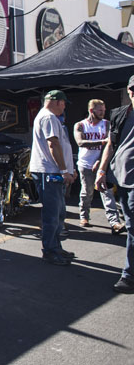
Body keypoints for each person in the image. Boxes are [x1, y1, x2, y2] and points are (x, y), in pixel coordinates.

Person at [95, 75, 134, 293]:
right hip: (122, 178)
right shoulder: (120, 114)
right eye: (133, 89)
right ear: (128, 91)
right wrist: (102, 170)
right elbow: (110, 144)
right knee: (131, 225)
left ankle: (129, 275)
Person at [29, 90, 76, 266]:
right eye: (63, 104)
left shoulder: (49, 117)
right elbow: (53, 144)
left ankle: (55, 247)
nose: (64, 107)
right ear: (57, 102)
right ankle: (50, 251)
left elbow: (57, 144)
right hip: (50, 172)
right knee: (52, 215)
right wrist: (64, 170)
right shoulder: (48, 117)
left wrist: (69, 169)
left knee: (59, 213)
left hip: (52, 172)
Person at [74, 99, 125, 233]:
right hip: (85, 164)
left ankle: (114, 222)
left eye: (104, 110)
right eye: (100, 110)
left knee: (107, 192)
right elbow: (80, 142)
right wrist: (102, 141)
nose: (103, 113)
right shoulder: (80, 125)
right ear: (92, 111)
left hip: (102, 163)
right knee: (87, 192)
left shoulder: (107, 124)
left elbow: (110, 145)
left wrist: (100, 160)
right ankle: (84, 216)